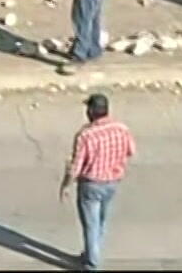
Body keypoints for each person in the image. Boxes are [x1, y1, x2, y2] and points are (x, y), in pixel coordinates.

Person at [60, 92, 135, 272]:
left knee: (90, 223)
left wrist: (66, 185)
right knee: (101, 220)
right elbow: (130, 151)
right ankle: (92, 252)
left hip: (91, 183)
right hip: (112, 182)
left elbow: (76, 164)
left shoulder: (86, 135)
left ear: (92, 111)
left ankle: (91, 262)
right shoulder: (121, 128)